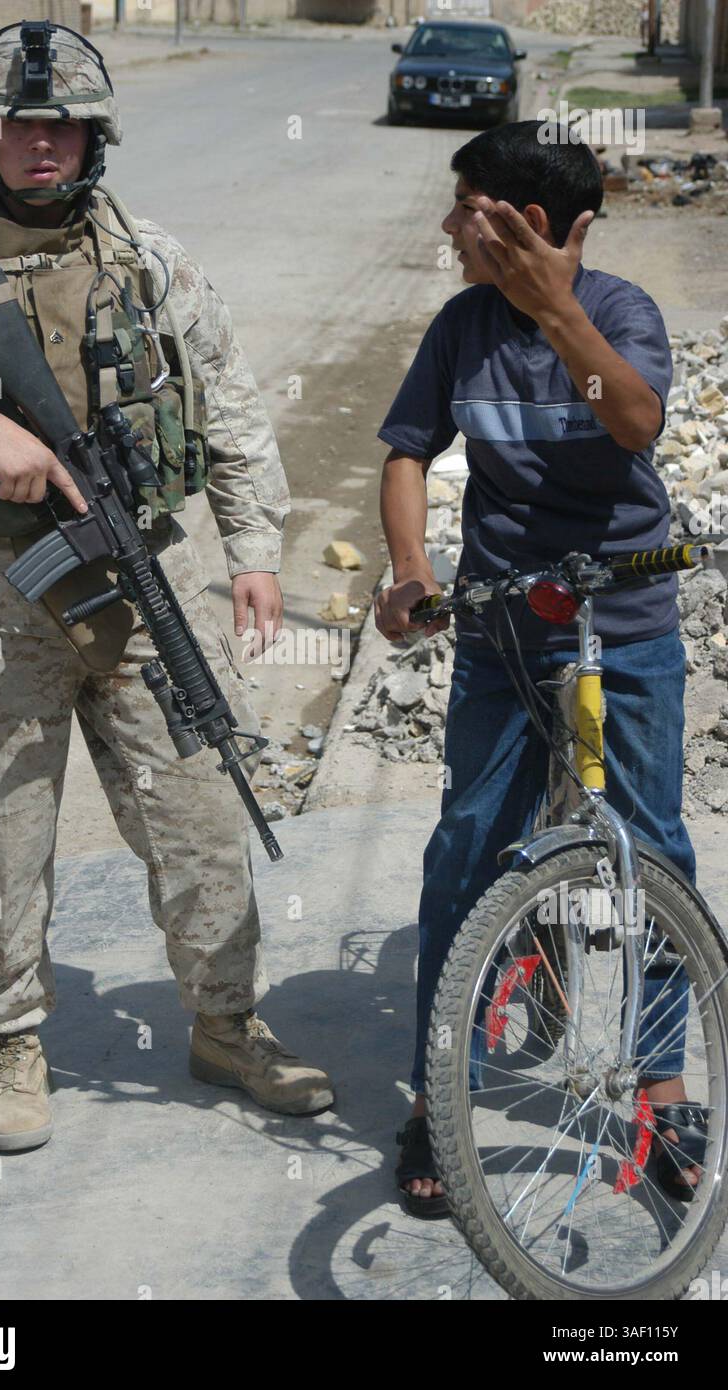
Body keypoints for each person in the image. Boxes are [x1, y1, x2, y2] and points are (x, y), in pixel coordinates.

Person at [0, 21, 334, 1152]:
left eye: (66, 127)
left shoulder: (147, 256)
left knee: (200, 811)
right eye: (24, 124)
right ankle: (13, 1040)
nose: (45, 145)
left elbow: (228, 400)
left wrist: (254, 549)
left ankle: (226, 1023)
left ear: (96, 136)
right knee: (0, 832)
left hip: (138, 586)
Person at [374, 121, 700, 1217]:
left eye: (468, 210)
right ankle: (442, 1088)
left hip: (626, 621)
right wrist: (410, 568)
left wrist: (557, 310)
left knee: (650, 853)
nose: (448, 227)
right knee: (468, 847)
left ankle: (662, 1090)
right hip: (503, 625)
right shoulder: (460, 328)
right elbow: (408, 451)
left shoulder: (620, 313)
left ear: (536, 225)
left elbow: (635, 422)